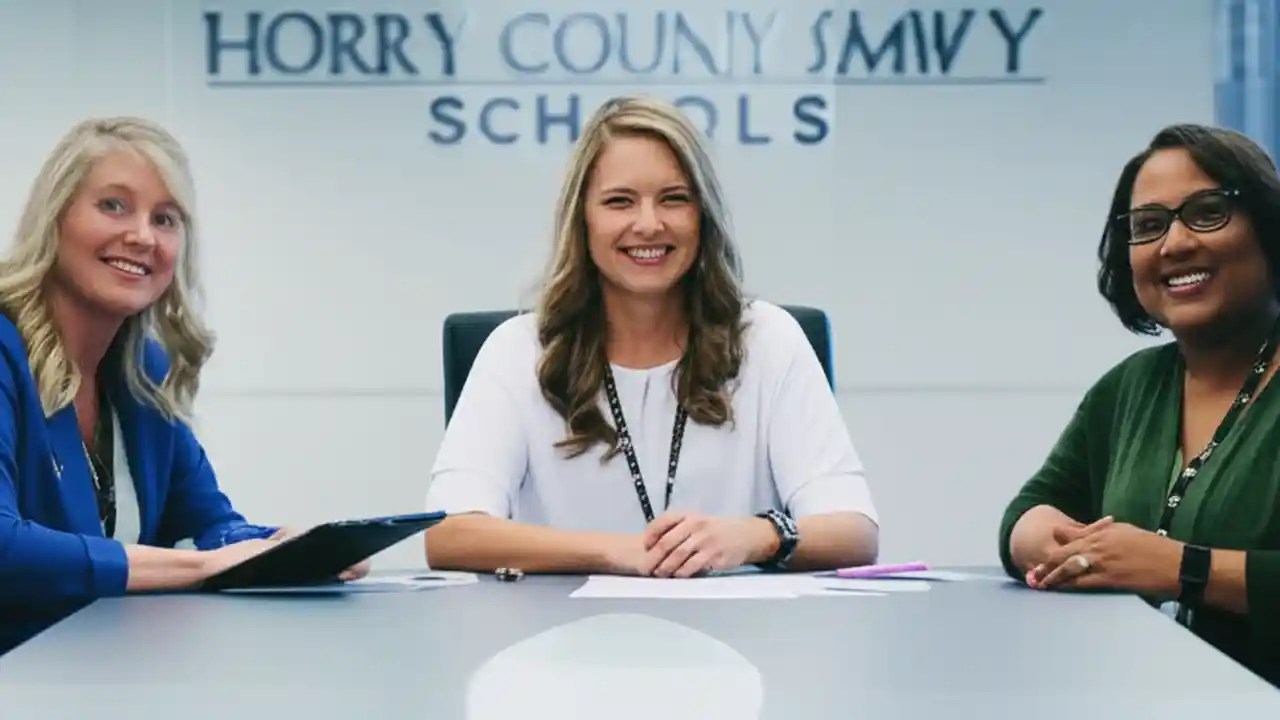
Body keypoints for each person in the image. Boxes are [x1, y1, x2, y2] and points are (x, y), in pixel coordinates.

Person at [424, 96, 878, 578]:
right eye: (620, 201)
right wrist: (618, 552)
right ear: (583, 219)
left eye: (674, 199)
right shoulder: (517, 351)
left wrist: (753, 537)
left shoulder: (769, 340)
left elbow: (853, 531)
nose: (648, 224)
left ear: (703, 216)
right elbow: (449, 533)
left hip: (745, 644)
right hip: (559, 645)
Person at [0, 117, 366, 655]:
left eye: (165, 218)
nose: (143, 236)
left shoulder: (142, 371)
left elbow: (209, 524)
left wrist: (281, 549)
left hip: (99, 679)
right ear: (54, 220)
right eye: (114, 206)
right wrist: (201, 566)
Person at [999, 124, 1280, 685]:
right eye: (1148, 226)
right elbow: (1028, 512)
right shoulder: (1130, 388)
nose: (1174, 244)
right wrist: (1053, 540)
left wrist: (1181, 568)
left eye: (1206, 212)